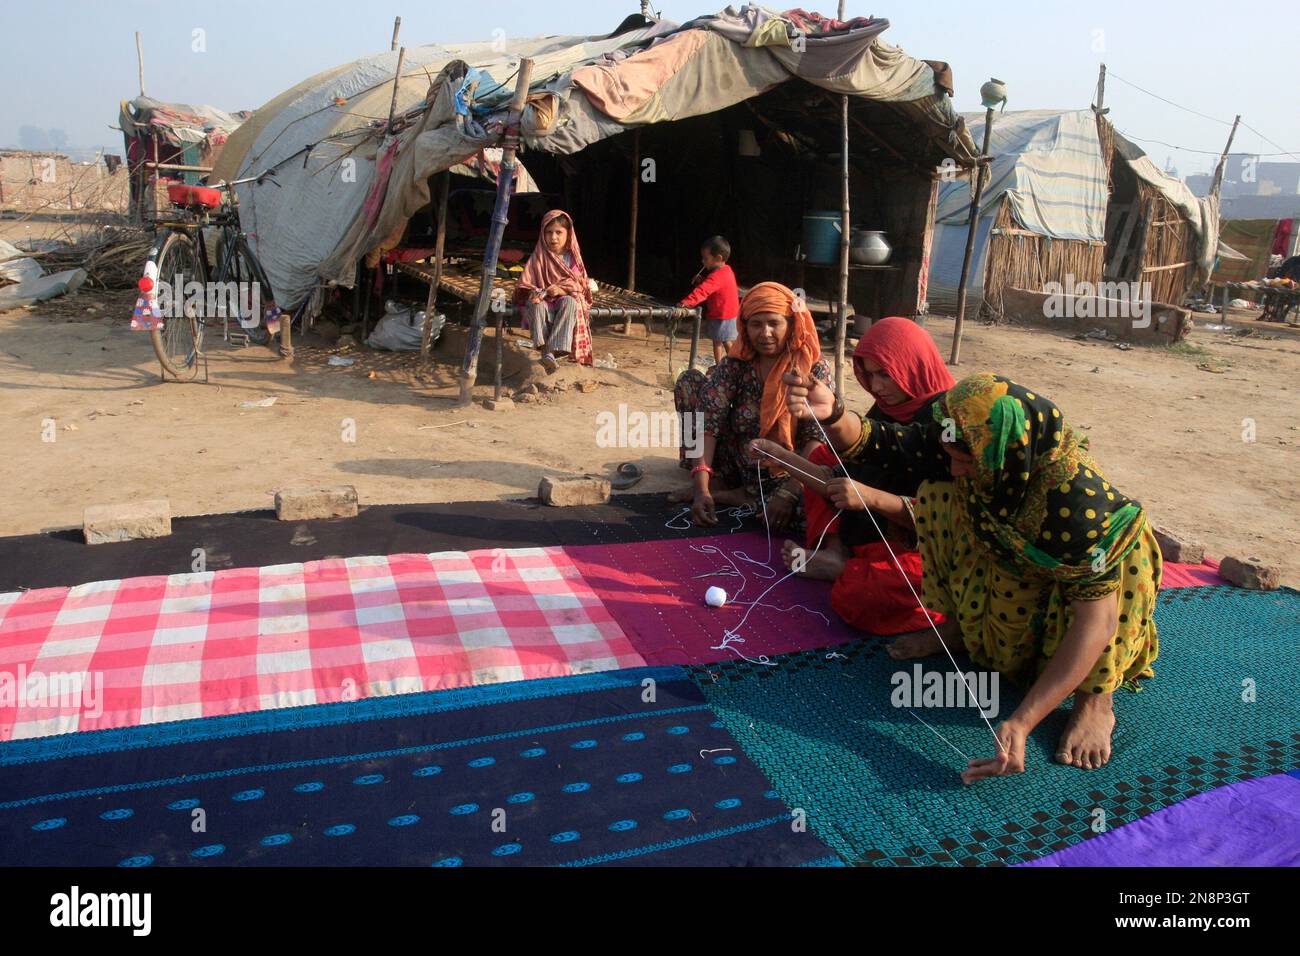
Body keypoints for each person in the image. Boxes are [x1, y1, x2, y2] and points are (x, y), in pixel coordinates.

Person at [786, 371, 1162, 783]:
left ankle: (1095, 699)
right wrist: (835, 413)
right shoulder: (962, 432)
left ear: (1005, 455)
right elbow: (892, 443)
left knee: (1115, 588)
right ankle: (964, 630)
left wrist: (1022, 722)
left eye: (965, 461)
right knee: (943, 501)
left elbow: (1096, 622)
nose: (954, 468)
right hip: (1018, 546)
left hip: (1102, 575)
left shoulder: (1075, 502)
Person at [756, 317, 956, 635]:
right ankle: (837, 553)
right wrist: (781, 456)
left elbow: (946, 521)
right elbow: (839, 479)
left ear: (913, 366)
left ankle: (849, 565)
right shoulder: (885, 410)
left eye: (885, 374)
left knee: (860, 595)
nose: (875, 387)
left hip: (933, 547)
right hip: (877, 528)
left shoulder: (951, 425)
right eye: (869, 374)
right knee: (824, 453)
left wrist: (870, 497)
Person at [674, 281, 832, 530]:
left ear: (791, 325)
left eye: (774, 323)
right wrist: (701, 488)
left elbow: (817, 439)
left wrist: (789, 494)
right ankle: (721, 485)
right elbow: (708, 423)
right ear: (744, 327)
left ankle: (744, 496)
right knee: (690, 381)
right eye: (756, 324)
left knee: (820, 512)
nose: (765, 333)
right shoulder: (736, 364)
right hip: (738, 460)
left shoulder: (812, 367)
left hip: (787, 472)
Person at [516, 209, 593, 371]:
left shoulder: (573, 257)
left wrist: (561, 289)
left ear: (568, 234)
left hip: (562, 299)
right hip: (542, 301)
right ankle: (546, 351)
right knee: (536, 305)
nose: (553, 237)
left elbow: (580, 284)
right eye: (549, 232)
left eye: (559, 232)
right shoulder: (538, 256)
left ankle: (553, 350)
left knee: (570, 302)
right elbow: (524, 284)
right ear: (542, 234)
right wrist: (534, 293)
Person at [678, 236, 740, 367]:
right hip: (724, 313)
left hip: (724, 315)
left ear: (718, 258)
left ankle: (732, 368)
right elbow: (713, 287)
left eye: (705, 258)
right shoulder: (726, 270)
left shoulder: (717, 276)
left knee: (725, 342)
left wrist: (686, 303)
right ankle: (721, 367)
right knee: (719, 341)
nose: (702, 261)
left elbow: (703, 291)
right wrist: (702, 281)